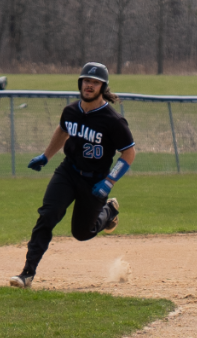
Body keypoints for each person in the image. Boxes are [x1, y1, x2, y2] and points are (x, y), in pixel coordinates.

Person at [9, 62, 135, 288]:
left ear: (102, 87)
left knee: (82, 233)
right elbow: (63, 129)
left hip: (95, 180)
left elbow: (128, 153)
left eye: (95, 82)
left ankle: (109, 210)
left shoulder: (112, 120)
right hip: (69, 171)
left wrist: (109, 181)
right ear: (80, 83)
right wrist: (46, 156)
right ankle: (27, 273)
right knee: (48, 215)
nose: (89, 85)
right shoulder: (70, 111)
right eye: (86, 80)